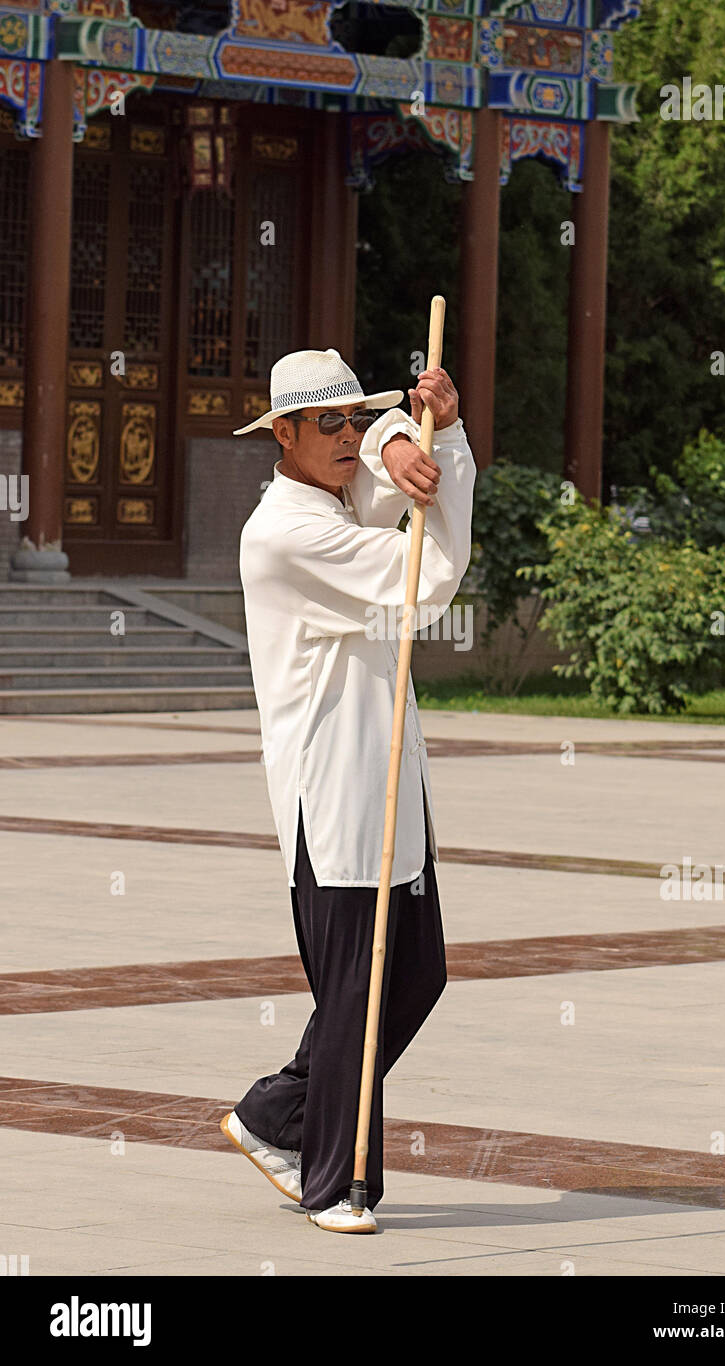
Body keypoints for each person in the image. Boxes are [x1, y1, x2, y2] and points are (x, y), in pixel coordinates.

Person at [220, 347, 476, 1233]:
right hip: (335, 804)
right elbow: (426, 584)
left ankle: (274, 1114)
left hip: (392, 796)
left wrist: (420, 427)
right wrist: (421, 457)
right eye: (327, 422)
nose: (347, 436)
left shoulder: (337, 497)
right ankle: (333, 1181)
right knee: (357, 998)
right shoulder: (288, 532)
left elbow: (391, 473)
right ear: (281, 434)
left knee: (416, 977)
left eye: (354, 417)